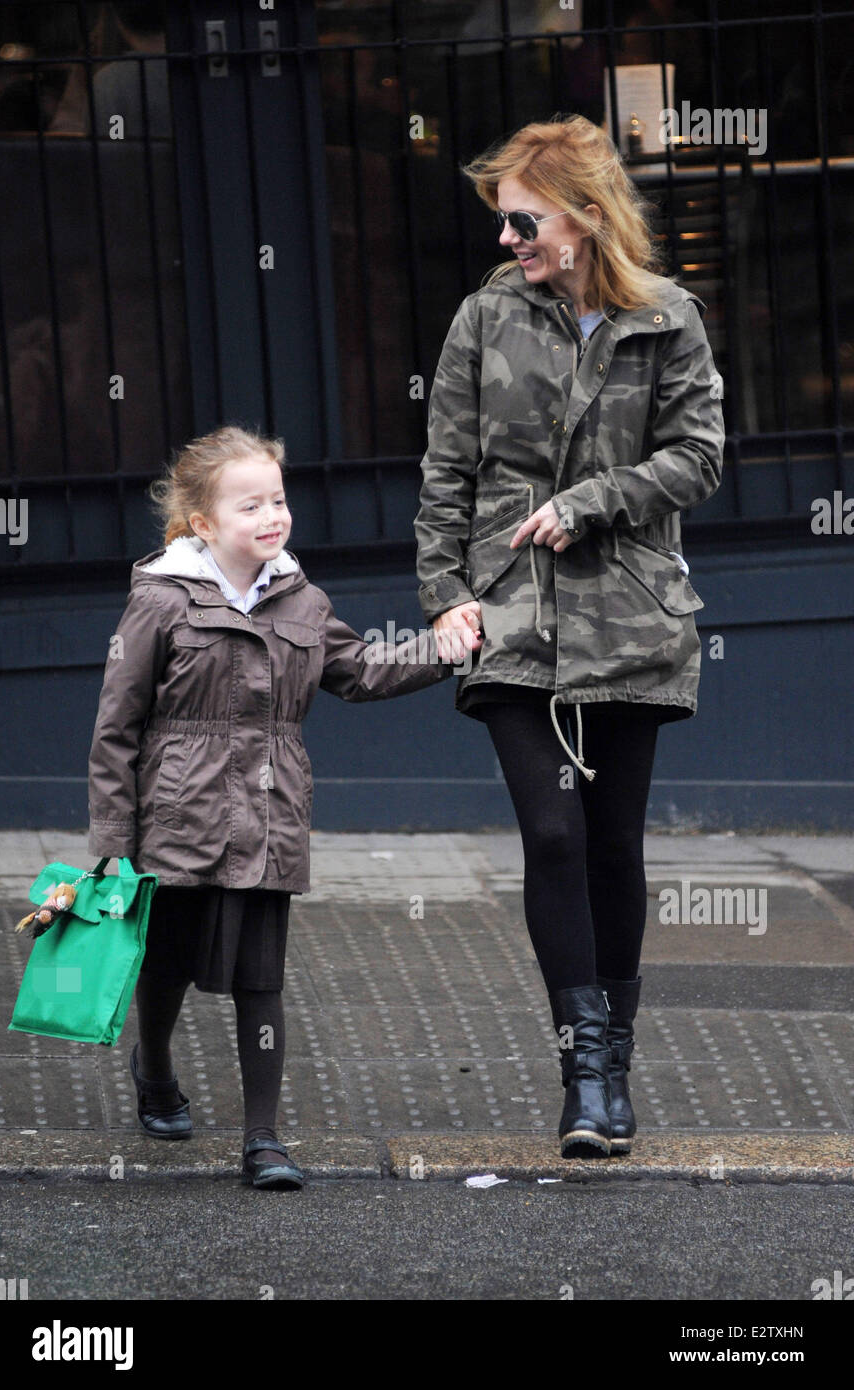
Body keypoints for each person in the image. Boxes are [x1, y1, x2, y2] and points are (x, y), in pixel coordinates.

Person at [414, 114, 725, 1159]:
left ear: (584, 218)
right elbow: (444, 476)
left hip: (630, 613)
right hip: (509, 614)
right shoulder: (483, 320)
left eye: (521, 221)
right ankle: (582, 1073)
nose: (504, 241)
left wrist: (594, 498)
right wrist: (443, 594)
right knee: (550, 833)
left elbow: (697, 457)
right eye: (502, 223)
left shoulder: (667, 318)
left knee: (608, 844)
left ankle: (615, 1067)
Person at [87, 425, 479, 1190]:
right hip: (175, 820)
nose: (272, 517)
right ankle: (156, 1070)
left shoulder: (302, 600)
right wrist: (112, 838)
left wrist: (446, 649)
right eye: (250, 506)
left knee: (261, 978)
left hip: (269, 817)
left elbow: (362, 670)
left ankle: (262, 1139)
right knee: (164, 965)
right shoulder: (160, 600)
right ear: (203, 523)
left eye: (278, 500)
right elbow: (117, 724)